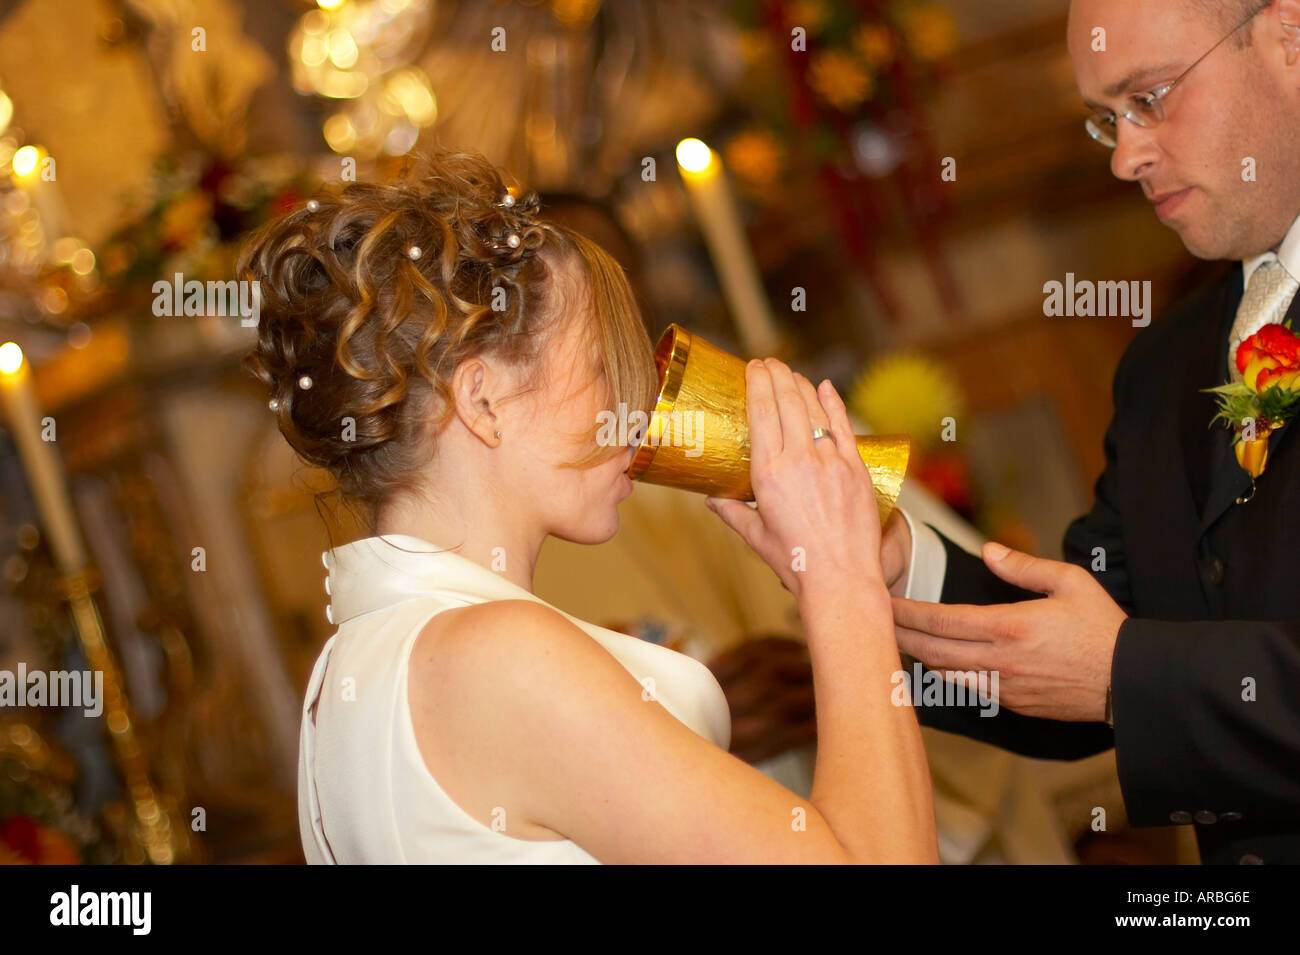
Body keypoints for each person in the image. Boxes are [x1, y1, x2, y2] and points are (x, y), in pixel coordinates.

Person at [239, 149, 937, 863]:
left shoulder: (348, 673)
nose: (637, 412)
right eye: (605, 365)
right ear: (481, 401)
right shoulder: (498, 655)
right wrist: (841, 575)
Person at [875, 0, 1300, 865]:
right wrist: (885, 558)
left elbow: (1115, 659)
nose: (1124, 156)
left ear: (1288, 34)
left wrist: (1124, 675)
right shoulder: (1164, 368)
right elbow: (1090, 624)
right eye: (1106, 118)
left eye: (1151, 97)